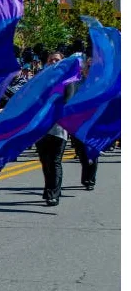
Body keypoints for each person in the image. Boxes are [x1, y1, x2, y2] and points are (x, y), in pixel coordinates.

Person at [35, 52, 75, 207]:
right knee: (45, 162)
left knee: (55, 160)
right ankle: (49, 189)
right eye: (51, 59)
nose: (53, 61)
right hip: (41, 126)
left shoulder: (68, 79)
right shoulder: (40, 79)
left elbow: (67, 101)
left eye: (57, 59)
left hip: (58, 126)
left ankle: (54, 194)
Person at [69, 58, 98, 191]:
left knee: (92, 150)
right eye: (88, 66)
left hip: (93, 122)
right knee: (81, 152)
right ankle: (86, 173)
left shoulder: (99, 83)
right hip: (77, 121)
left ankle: (90, 179)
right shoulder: (75, 82)